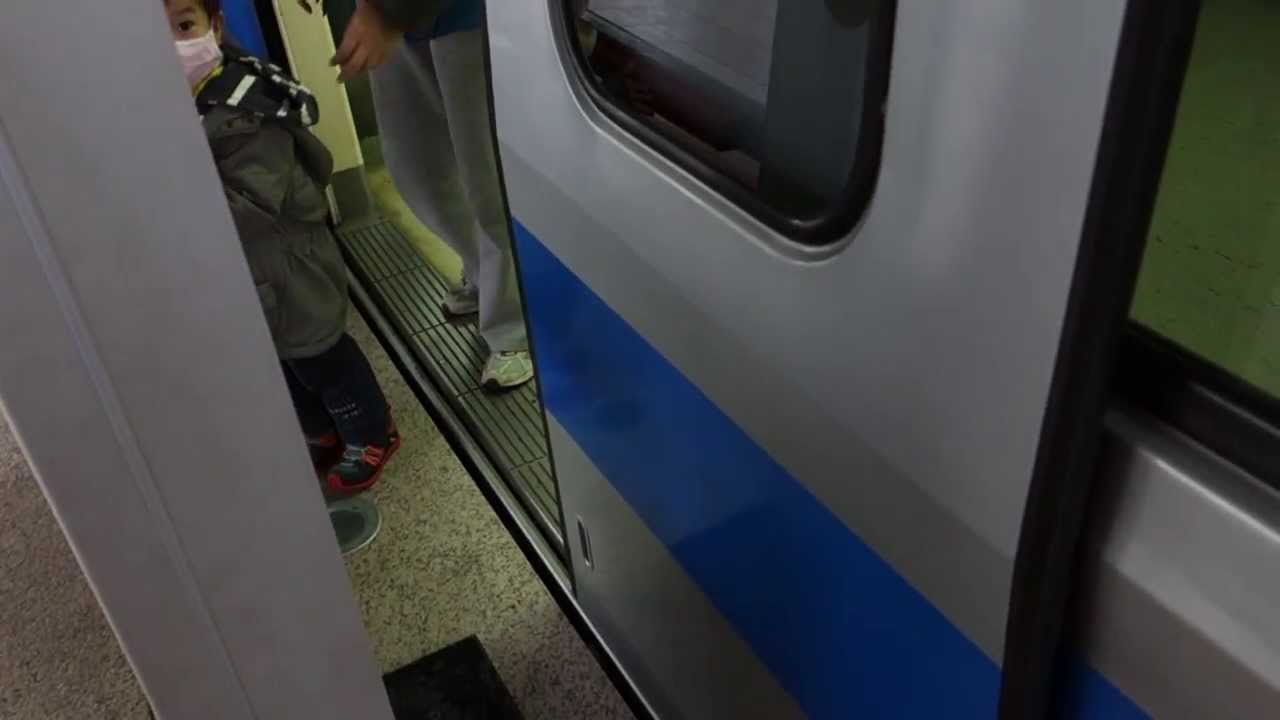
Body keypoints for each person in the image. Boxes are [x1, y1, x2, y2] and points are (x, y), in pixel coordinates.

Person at [165, 0, 401, 494]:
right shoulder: (171, 104)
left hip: (290, 264)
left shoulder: (246, 109)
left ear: (217, 25)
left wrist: (172, 201)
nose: (172, 45)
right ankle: (320, 428)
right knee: (283, 360)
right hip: (250, 270)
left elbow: (253, 202)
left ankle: (370, 430)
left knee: (321, 354)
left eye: (185, 25)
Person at [334, 0, 534, 391]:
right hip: (395, 19)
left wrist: (388, 11)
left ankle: (514, 326)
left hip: (468, 12)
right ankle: (481, 272)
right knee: (416, 166)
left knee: (489, 176)